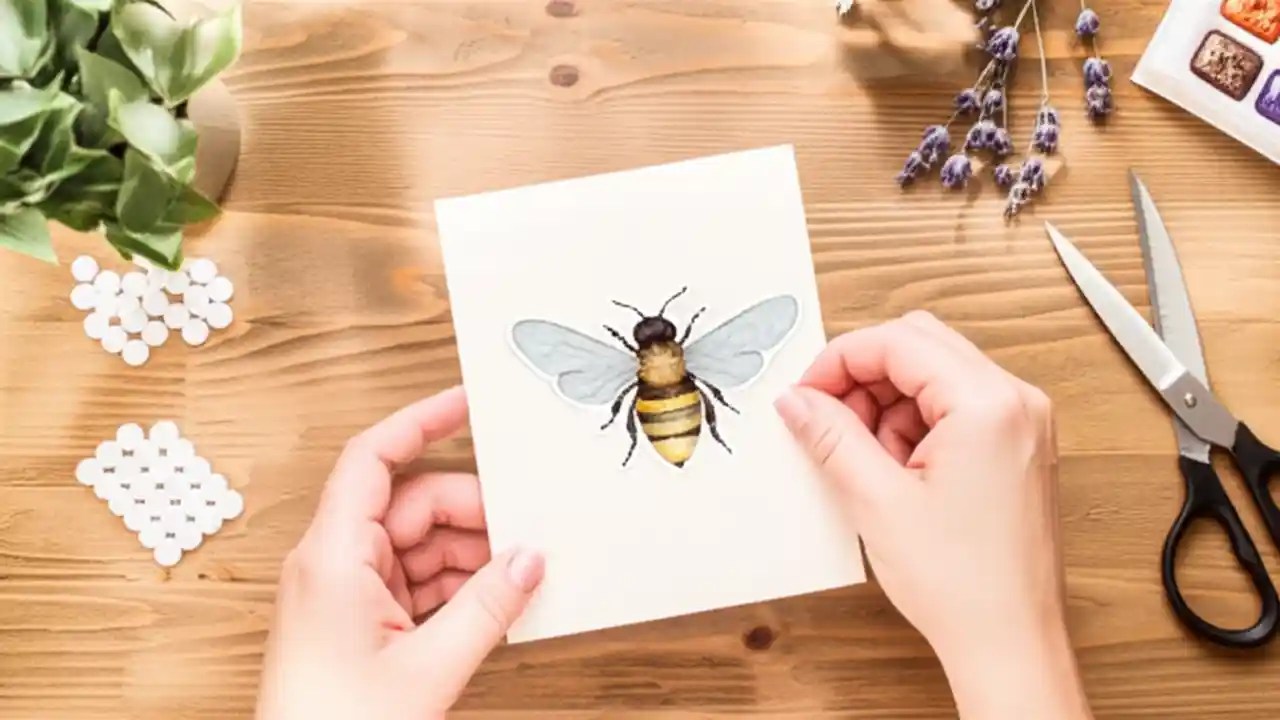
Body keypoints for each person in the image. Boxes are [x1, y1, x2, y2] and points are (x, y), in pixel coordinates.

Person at [255, 312, 1094, 720]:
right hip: (679, 414)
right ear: (668, 351)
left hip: (666, 417)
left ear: (647, 353)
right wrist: (1019, 645)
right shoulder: (684, 361)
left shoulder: (633, 369)